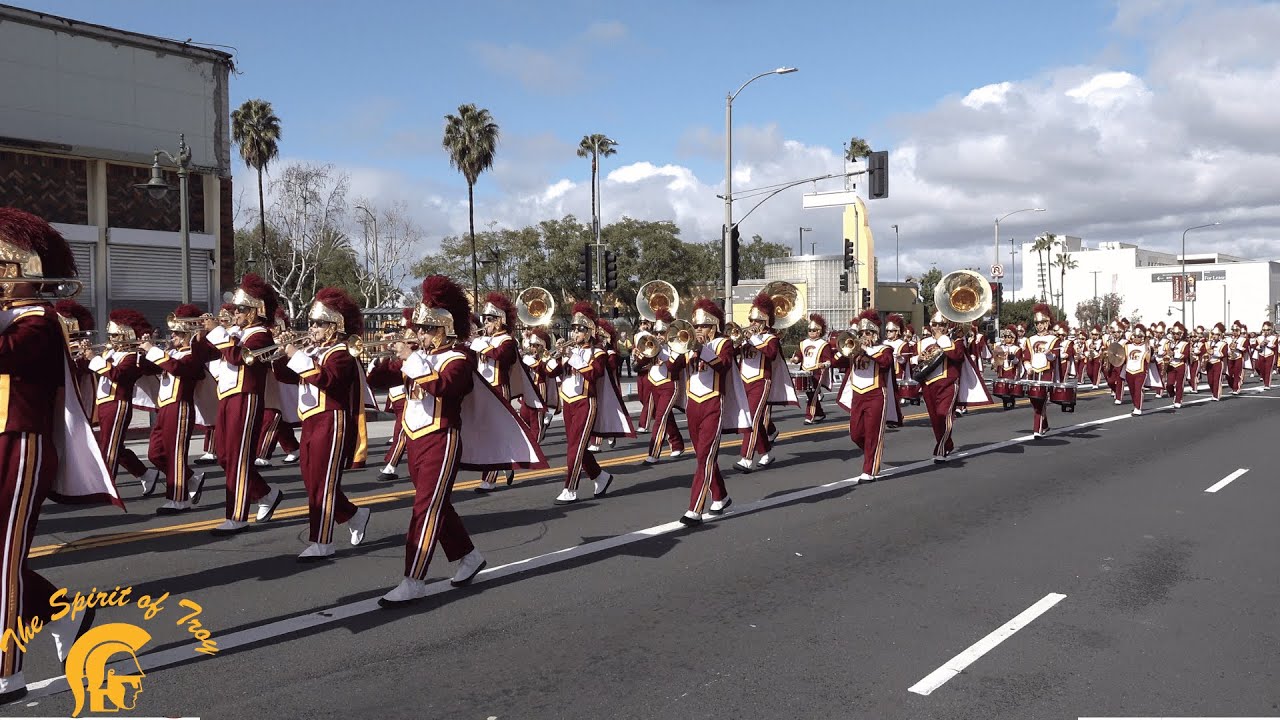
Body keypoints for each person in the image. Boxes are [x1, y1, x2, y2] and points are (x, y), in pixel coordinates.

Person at [0, 208, 120, 703]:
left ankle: (7, 671)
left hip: (20, 444)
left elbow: (6, 354)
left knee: (3, 559)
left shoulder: (41, 322)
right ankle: (65, 613)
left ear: (28, 271)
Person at [379, 276, 545, 606]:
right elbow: (380, 379)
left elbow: (445, 388)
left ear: (444, 329)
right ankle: (468, 556)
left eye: (427, 329)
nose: (420, 335)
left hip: (442, 439)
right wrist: (386, 359)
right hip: (416, 438)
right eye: (419, 329)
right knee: (437, 505)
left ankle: (414, 579)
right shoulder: (421, 357)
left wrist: (411, 359)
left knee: (425, 509)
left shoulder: (458, 359)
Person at [275, 288, 371, 562]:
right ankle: (354, 514)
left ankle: (322, 541)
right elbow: (288, 377)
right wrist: (282, 354)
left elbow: (328, 380)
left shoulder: (342, 352)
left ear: (334, 326)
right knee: (312, 481)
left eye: (318, 323)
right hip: (311, 420)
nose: (313, 328)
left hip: (332, 420)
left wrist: (295, 353)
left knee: (323, 483)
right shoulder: (314, 350)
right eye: (312, 323)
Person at [200, 273, 285, 535]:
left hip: (246, 397)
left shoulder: (260, 336)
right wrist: (204, 334)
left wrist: (218, 332)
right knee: (226, 456)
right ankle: (266, 494)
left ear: (254, 311)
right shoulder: (236, 332)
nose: (234, 313)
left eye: (240, 309)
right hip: (227, 396)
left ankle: (237, 516)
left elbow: (237, 358)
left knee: (238, 457)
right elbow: (206, 354)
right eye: (235, 309)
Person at [669, 298, 748, 525]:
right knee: (703, 456)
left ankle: (695, 509)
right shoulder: (689, 345)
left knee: (705, 455)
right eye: (696, 326)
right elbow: (672, 371)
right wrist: (676, 350)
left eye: (703, 326)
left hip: (713, 403)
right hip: (692, 405)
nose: (698, 330)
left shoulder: (724, 343)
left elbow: (723, 366)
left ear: (713, 325)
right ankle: (721, 497)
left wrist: (701, 350)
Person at [549, 302, 626, 505]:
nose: (574, 333)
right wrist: (556, 357)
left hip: (586, 402)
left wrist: (571, 357)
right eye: (573, 329)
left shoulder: (598, 352)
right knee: (578, 447)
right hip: (569, 402)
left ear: (589, 331)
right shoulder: (571, 351)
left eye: (579, 329)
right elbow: (549, 372)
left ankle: (570, 488)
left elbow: (594, 373)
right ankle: (600, 477)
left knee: (575, 447)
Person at [139, 304, 211, 514]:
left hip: (180, 408)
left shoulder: (192, 356)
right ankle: (191, 478)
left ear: (188, 335)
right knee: (155, 454)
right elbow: (147, 369)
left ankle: (179, 499)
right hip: (164, 408)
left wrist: (153, 351)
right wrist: (144, 350)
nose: (173, 336)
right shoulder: (171, 353)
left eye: (177, 333)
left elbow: (178, 368)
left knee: (175, 454)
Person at [88, 309, 162, 494]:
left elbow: (118, 375)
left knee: (109, 448)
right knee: (115, 446)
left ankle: (106, 487)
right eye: (111, 335)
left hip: (118, 403)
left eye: (115, 335)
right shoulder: (111, 353)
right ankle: (146, 474)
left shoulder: (132, 357)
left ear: (126, 335)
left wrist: (93, 358)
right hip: (105, 403)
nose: (111, 338)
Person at [825, 309, 895, 482]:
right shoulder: (854, 350)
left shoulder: (884, 349)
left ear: (876, 334)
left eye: (868, 333)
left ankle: (869, 469)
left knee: (872, 433)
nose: (864, 336)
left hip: (876, 395)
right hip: (858, 396)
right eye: (862, 333)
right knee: (855, 434)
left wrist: (866, 349)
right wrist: (844, 347)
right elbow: (835, 362)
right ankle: (873, 451)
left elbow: (886, 363)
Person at [735, 293, 787, 473]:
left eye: (757, 321)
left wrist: (753, 339)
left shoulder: (771, 338)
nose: (752, 323)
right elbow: (732, 353)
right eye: (751, 320)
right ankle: (766, 453)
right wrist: (736, 342)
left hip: (761, 382)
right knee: (753, 420)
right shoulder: (747, 338)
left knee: (751, 420)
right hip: (744, 382)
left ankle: (746, 458)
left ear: (765, 321)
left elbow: (771, 354)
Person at [917, 311, 968, 462]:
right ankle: (947, 444)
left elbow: (958, 356)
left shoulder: (956, 341)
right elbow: (913, 362)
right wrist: (917, 358)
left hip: (948, 383)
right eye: (935, 324)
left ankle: (940, 450)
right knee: (935, 420)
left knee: (944, 414)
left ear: (947, 326)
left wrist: (943, 340)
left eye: (942, 324)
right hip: (928, 385)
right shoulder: (923, 342)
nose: (938, 327)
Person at [638, 308, 686, 464]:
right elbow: (638, 366)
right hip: (653, 384)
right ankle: (677, 444)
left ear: (669, 332)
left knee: (660, 418)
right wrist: (643, 353)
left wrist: (661, 352)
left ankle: (653, 454)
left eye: (662, 332)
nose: (658, 335)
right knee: (666, 417)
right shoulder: (653, 344)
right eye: (656, 332)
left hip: (669, 385)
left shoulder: (677, 346)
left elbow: (674, 367)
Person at [255, 307, 300, 467]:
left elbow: (289, 368)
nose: (272, 329)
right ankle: (293, 448)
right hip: (271, 384)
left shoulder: (289, 340)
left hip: (284, 386)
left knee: (272, 417)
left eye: (274, 325)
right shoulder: (264, 338)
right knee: (280, 421)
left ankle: (262, 454)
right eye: (270, 325)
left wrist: (285, 347)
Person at [1021, 304, 1061, 439]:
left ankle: (1037, 430)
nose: (1039, 326)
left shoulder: (1054, 340)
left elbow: (1054, 358)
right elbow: (1026, 358)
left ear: (1047, 323)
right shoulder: (1030, 340)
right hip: (1033, 374)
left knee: (1040, 400)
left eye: (1042, 323)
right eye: (1037, 323)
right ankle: (1045, 424)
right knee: (1034, 400)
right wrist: (1028, 367)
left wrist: (1048, 353)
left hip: (1046, 373)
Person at [791, 313, 834, 424]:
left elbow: (829, 361)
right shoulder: (803, 343)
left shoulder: (824, 344)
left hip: (817, 372)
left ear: (819, 331)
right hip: (805, 371)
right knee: (810, 394)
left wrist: (823, 364)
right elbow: (800, 356)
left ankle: (809, 416)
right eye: (809, 330)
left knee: (813, 394)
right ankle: (819, 413)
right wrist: (795, 359)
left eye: (814, 330)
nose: (811, 332)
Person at [1123, 323, 1153, 415]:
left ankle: (1138, 408)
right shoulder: (1127, 346)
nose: (1136, 338)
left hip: (1141, 371)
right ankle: (1136, 404)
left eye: (1139, 337)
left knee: (1138, 389)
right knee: (1132, 390)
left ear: (1142, 337)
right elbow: (1122, 358)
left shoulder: (1146, 346)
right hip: (1129, 371)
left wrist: (1149, 348)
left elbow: (1149, 359)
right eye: (1135, 336)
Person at [1163, 322, 1191, 408]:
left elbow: (1186, 355)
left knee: (1179, 384)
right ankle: (1173, 394)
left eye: (1177, 334)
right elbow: (1165, 352)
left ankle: (1178, 400)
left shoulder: (1185, 344)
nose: (1175, 335)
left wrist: (1174, 354)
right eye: (1174, 333)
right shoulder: (1169, 343)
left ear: (1181, 334)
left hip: (1181, 364)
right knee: (1169, 384)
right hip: (1171, 365)